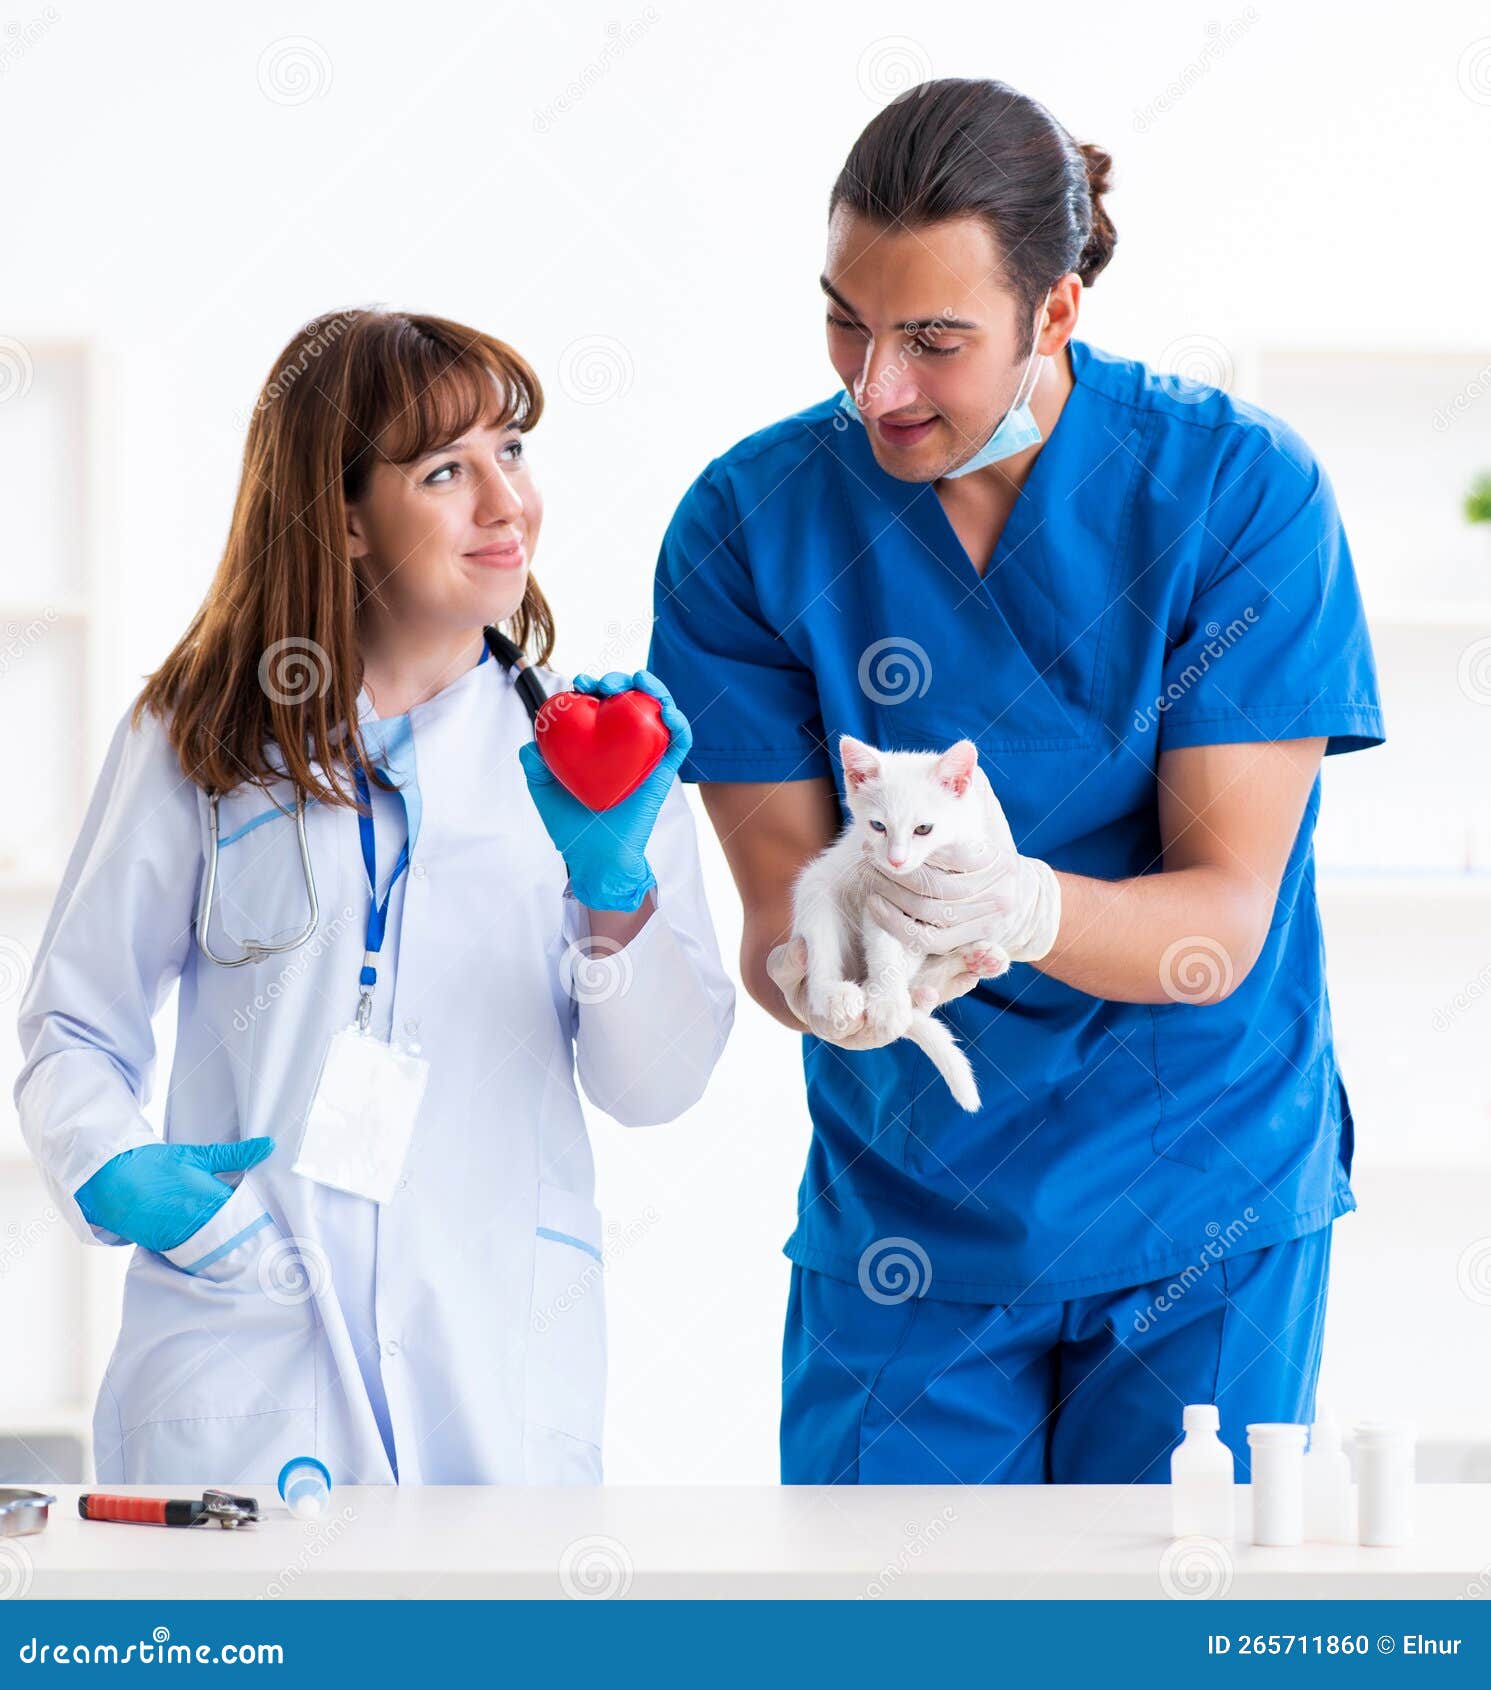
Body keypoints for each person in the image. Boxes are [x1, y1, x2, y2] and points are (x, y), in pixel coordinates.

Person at [648, 79, 1383, 1485]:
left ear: (1054, 313)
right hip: (911, 1215)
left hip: (1199, 1189)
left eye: (932, 338)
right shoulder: (749, 529)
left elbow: (1215, 925)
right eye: (844, 324)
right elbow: (774, 922)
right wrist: (830, 986)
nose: (877, 387)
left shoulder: (1231, 496)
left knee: (1165, 1625)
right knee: (894, 1634)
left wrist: (1024, 907)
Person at [16, 308, 734, 1486]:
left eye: (512, 449)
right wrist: (116, 1173)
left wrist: (615, 884)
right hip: (248, 1355)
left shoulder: (598, 754)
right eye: (447, 470)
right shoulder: (198, 735)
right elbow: (73, 1025)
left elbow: (654, 1086)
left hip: (492, 1364)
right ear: (342, 517)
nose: (505, 504)